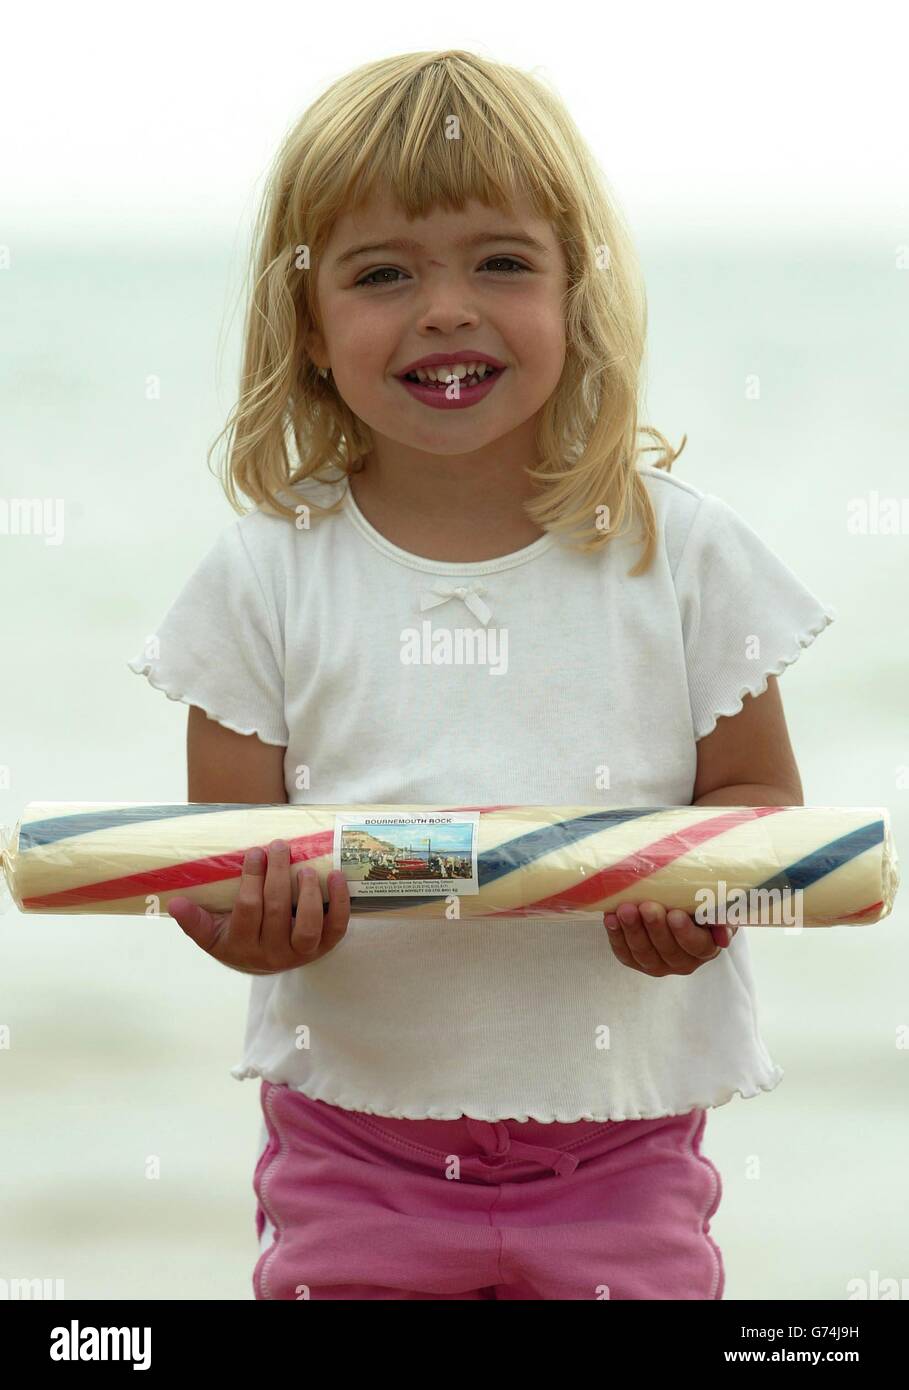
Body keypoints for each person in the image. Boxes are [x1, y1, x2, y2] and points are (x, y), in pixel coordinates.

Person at [127, 50, 835, 1301]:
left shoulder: (682, 557)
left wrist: (708, 888)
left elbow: (760, 810)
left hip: (622, 1148)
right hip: (357, 1148)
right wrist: (245, 920)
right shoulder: (262, 580)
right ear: (308, 325)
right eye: (384, 272)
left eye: (501, 262)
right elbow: (220, 866)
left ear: (579, 293)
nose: (446, 309)